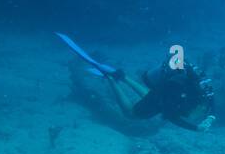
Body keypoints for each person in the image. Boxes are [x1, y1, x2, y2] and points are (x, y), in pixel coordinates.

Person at [55, 33, 215, 131]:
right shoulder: (183, 94)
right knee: (131, 114)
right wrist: (195, 128)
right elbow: (170, 116)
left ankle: (123, 77)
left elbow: (211, 100)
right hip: (165, 92)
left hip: (164, 91)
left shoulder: (203, 89)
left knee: (156, 98)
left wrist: (211, 117)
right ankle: (112, 78)